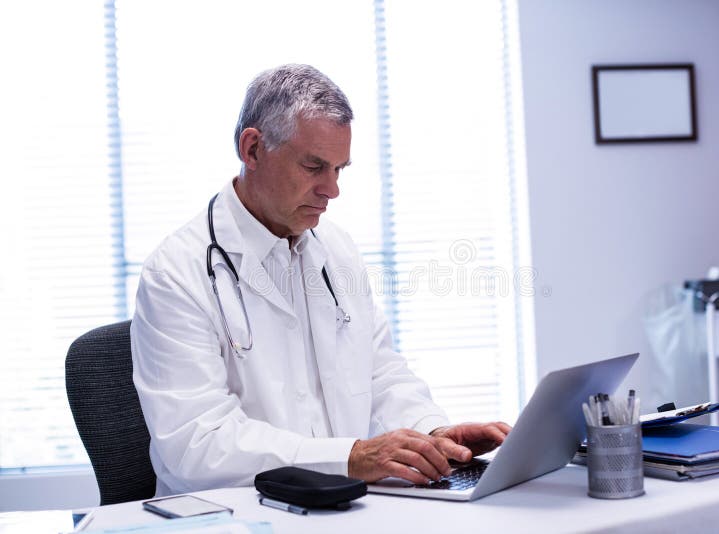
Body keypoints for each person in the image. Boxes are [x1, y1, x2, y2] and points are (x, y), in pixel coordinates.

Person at [131, 64, 511, 496]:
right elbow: (195, 445)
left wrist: (431, 435)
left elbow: (380, 375)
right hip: (238, 515)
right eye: (314, 167)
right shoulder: (175, 274)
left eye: (339, 169)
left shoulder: (336, 249)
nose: (332, 190)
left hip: (344, 506)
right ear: (252, 149)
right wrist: (350, 458)